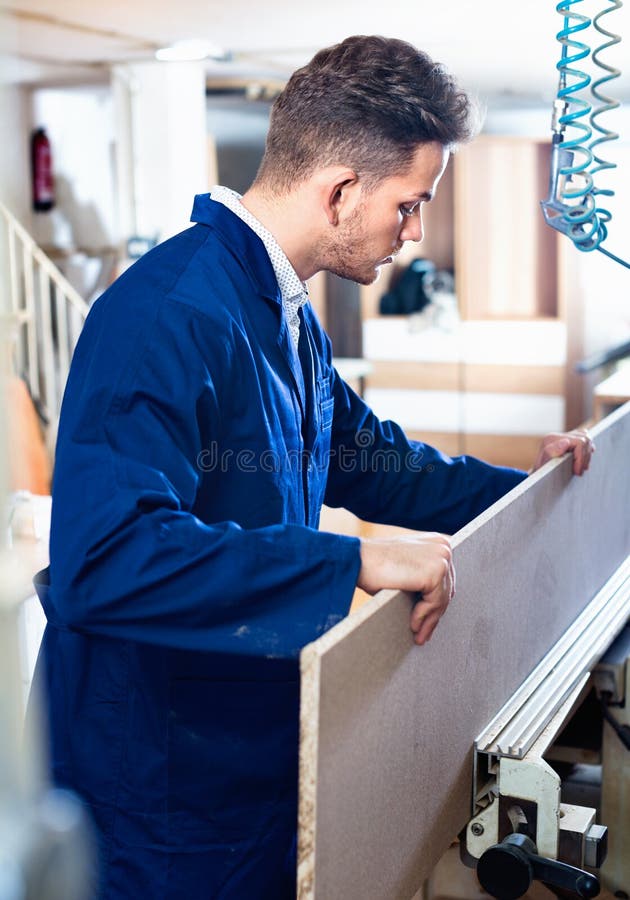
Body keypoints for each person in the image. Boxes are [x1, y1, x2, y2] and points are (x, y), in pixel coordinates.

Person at [32, 34, 594, 900]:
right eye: (409, 206)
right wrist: (354, 559)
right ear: (340, 191)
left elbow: (377, 464)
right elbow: (104, 561)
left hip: (240, 743)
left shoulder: (284, 315)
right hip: (153, 783)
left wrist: (537, 492)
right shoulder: (167, 315)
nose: (412, 235)